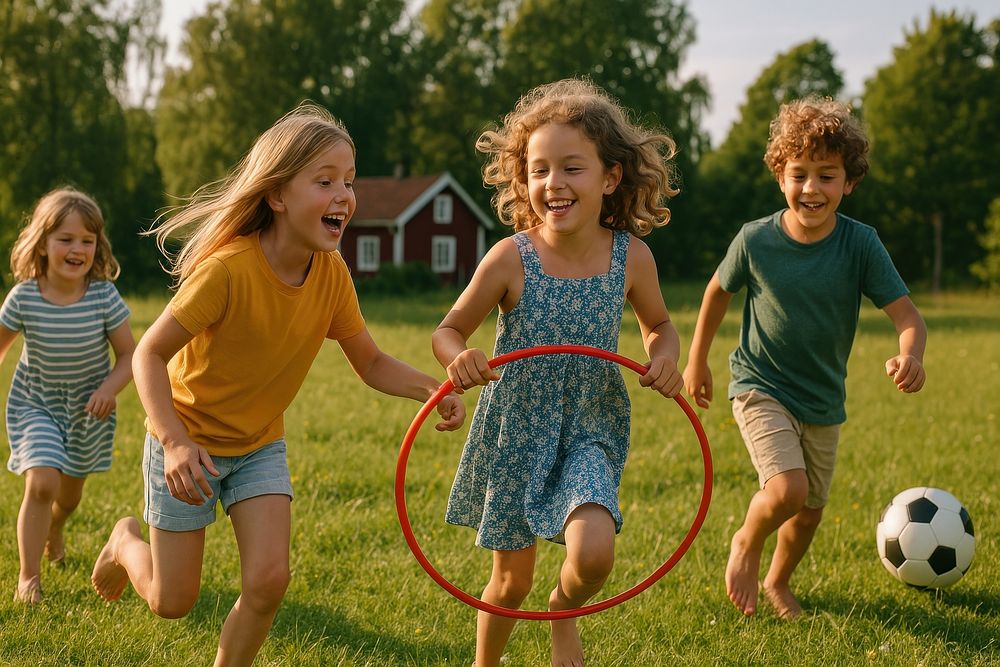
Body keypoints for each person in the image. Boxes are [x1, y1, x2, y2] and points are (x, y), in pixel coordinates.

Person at [89, 104, 465, 667]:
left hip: (259, 445)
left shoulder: (332, 275)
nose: (344, 196)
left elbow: (370, 361)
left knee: (268, 582)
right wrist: (173, 442)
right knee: (173, 601)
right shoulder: (227, 271)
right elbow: (149, 354)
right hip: (188, 443)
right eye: (324, 181)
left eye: (349, 181)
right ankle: (124, 541)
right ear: (277, 195)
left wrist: (434, 390)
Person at [432, 78, 684, 667]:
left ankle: (563, 607)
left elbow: (659, 326)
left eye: (572, 168)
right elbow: (448, 330)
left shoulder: (630, 257)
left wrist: (665, 356)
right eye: (540, 170)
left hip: (590, 426)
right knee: (509, 582)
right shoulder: (510, 258)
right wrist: (458, 357)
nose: (554, 183)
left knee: (593, 555)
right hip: (517, 429)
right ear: (524, 181)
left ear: (610, 178)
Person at [682, 96, 927, 619]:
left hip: (822, 396)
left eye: (826, 176)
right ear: (780, 177)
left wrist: (911, 355)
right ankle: (746, 542)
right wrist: (697, 360)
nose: (811, 188)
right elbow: (717, 292)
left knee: (810, 510)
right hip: (760, 384)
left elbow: (908, 317)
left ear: (849, 183)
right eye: (799, 174)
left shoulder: (861, 245)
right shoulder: (755, 240)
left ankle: (778, 581)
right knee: (787, 489)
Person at [0, 187, 136, 604]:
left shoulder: (102, 297)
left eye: (87, 240)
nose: (78, 249)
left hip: (86, 412)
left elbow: (130, 355)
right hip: (35, 404)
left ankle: (55, 528)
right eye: (66, 239)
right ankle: (28, 578)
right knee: (42, 483)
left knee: (69, 497)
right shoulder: (25, 296)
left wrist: (108, 389)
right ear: (42, 243)